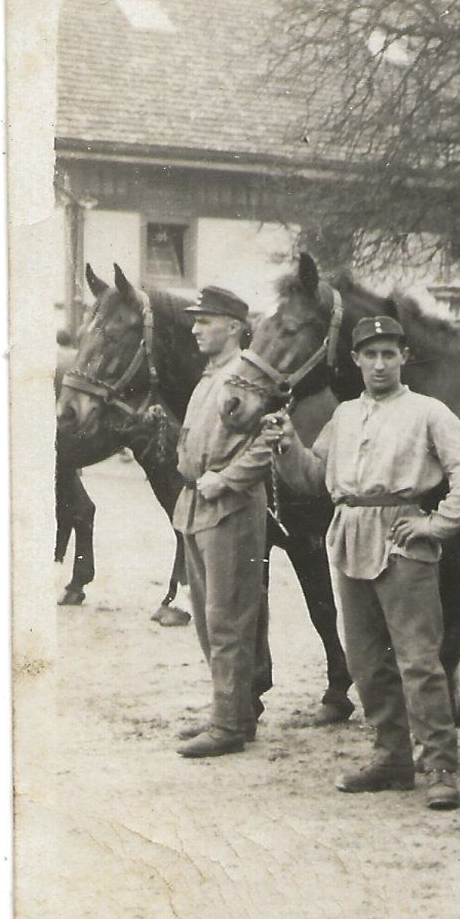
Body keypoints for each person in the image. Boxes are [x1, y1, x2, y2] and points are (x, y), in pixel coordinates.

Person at [264, 315, 460, 811]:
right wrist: (285, 446)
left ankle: (439, 767)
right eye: (371, 354)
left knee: (418, 660)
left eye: (390, 353)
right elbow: (312, 476)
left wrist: (438, 524)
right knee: (366, 661)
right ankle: (391, 758)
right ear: (357, 360)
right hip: (350, 537)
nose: (381, 363)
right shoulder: (344, 415)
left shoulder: (428, 411)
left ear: (404, 358)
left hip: (403, 540)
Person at [173, 285, 273, 759]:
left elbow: (269, 441)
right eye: (195, 320)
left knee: (227, 616)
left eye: (205, 321)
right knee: (209, 618)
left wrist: (228, 479)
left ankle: (229, 725)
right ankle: (231, 711)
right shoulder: (212, 375)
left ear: (234, 326)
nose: (195, 328)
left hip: (229, 505)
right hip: (197, 504)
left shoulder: (246, 375)